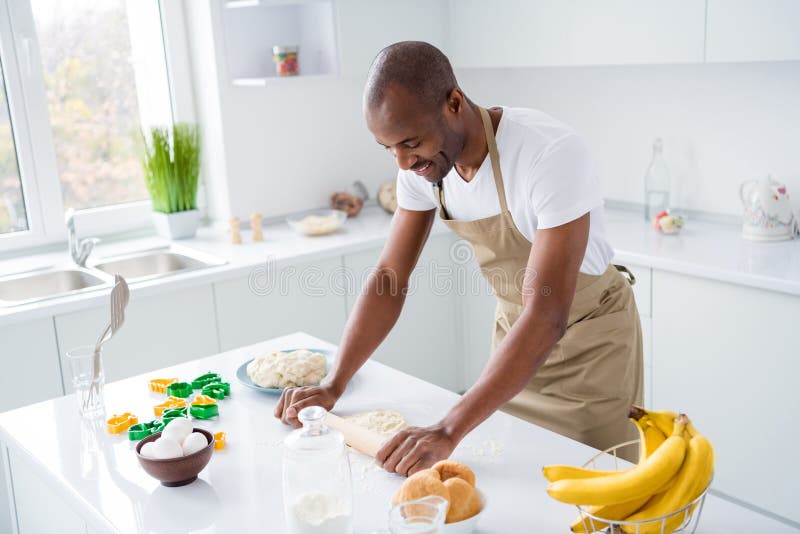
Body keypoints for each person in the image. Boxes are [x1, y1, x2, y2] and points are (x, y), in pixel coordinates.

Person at [276, 41, 643, 476]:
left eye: (411, 142)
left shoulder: (548, 154)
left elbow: (547, 314)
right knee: (521, 483)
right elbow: (389, 278)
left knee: (594, 486)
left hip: (590, 350)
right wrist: (334, 383)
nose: (404, 162)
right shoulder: (423, 168)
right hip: (516, 344)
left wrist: (449, 428)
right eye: (388, 148)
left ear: (454, 103)